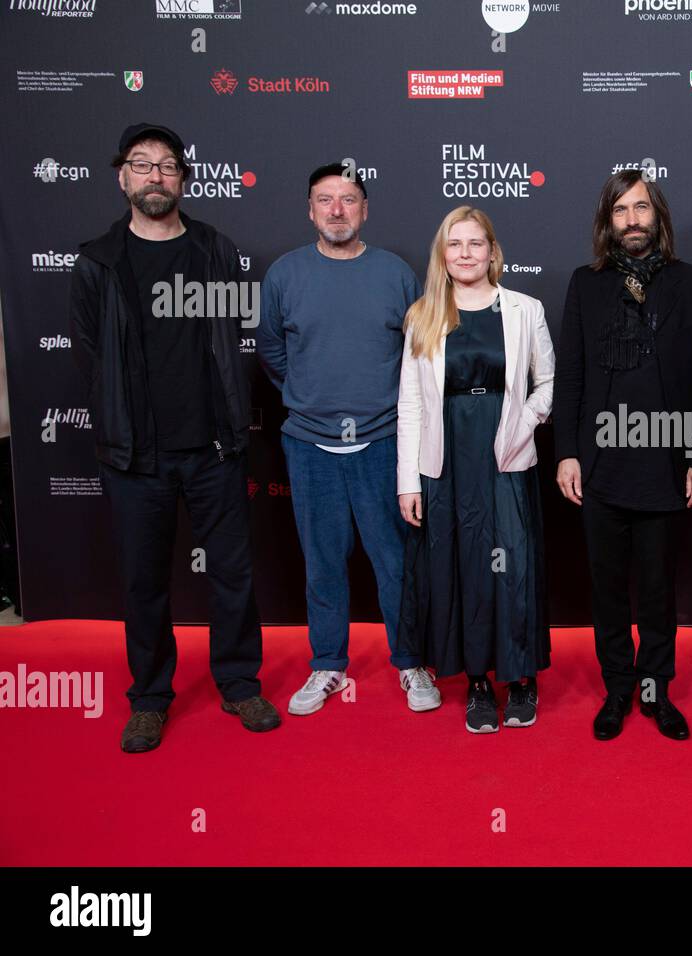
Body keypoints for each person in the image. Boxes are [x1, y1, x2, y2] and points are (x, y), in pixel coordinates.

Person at [69, 122, 280, 752]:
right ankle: (151, 698)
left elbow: (228, 344)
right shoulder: (97, 263)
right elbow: (88, 355)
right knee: (143, 581)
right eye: (141, 164)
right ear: (122, 178)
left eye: (166, 165)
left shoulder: (214, 249)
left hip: (214, 449)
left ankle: (240, 684)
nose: (154, 175)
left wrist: (229, 424)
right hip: (136, 457)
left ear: (182, 178)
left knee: (233, 575)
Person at [553, 170, 692, 741]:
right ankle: (618, 689)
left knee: (656, 590)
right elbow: (570, 375)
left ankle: (656, 690)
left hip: (667, 464)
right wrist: (567, 453)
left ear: (659, 218)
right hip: (601, 463)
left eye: (642, 208)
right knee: (607, 590)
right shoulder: (586, 283)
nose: (632, 219)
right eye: (621, 210)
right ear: (608, 221)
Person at [257, 164, 428, 715]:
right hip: (310, 447)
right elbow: (273, 353)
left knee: (395, 563)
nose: (337, 210)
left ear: (364, 208)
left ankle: (412, 663)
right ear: (310, 209)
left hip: (383, 444)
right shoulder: (284, 274)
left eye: (348, 199)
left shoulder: (396, 273)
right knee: (323, 562)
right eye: (325, 200)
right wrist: (312, 401)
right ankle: (327, 665)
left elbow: (417, 356)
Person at [395, 206, 553, 733]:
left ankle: (522, 678)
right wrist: (408, 481)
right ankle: (480, 681)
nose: (465, 253)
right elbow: (411, 406)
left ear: (492, 251)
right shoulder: (424, 315)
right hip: (447, 462)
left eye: (475, 243)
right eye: (455, 244)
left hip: (506, 454)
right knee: (463, 568)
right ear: (443, 254)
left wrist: (522, 424)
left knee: (514, 565)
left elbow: (548, 384)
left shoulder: (526, 309)